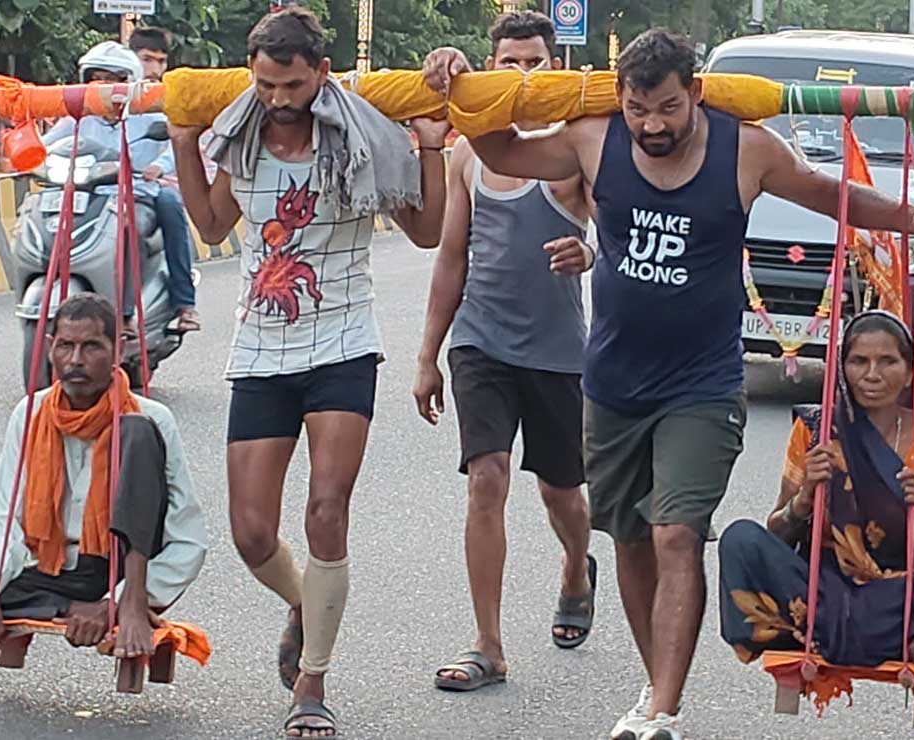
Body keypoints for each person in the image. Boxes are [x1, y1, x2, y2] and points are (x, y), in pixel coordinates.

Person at [422, 29, 914, 739]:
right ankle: (656, 692)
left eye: (668, 108)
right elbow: (501, 151)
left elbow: (829, 195)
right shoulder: (594, 138)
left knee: (677, 534)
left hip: (701, 385)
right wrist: (458, 88)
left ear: (695, 94)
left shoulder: (746, 150)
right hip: (611, 384)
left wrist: (913, 217)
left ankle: (662, 708)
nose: (653, 125)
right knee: (632, 539)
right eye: (639, 108)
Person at [168, 7, 449, 738]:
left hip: (343, 341)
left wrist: (429, 150)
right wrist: (183, 139)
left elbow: (425, 232)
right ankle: (304, 601)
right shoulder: (243, 137)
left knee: (327, 508)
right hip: (260, 350)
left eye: (291, 84)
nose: (277, 97)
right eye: (264, 83)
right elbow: (207, 224)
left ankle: (313, 681)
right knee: (251, 533)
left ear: (320, 76)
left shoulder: (361, 137)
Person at [718, 310, 914, 740]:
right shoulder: (816, 430)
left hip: (906, 601)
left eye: (887, 361)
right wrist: (803, 501)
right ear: (842, 367)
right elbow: (776, 532)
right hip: (825, 596)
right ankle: (809, 634)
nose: (872, 374)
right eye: (858, 361)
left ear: (910, 373)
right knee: (739, 539)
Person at [413, 11, 596, 693]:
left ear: (554, 67)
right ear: (490, 68)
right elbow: (451, 258)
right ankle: (488, 644)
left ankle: (577, 565)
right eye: (509, 63)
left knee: (562, 494)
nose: (521, 75)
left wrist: (589, 252)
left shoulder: (575, 148)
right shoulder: (470, 153)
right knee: (486, 476)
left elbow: (618, 233)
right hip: (481, 343)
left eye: (534, 63)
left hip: (556, 350)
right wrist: (428, 354)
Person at [0, 293, 208, 664]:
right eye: (66, 346)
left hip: (116, 569)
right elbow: (6, 518)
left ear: (119, 349)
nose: (76, 360)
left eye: (92, 347)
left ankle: (115, 605)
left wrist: (119, 599)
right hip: (48, 569)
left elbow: (188, 540)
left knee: (135, 430)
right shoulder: (31, 412)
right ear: (50, 348)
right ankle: (70, 607)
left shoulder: (152, 417)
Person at [42, 41, 199, 333]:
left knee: (149, 216)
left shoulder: (147, 113)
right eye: (97, 78)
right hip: (92, 196)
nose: (103, 86)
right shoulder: (78, 116)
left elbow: (175, 144)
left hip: (139, 193)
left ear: (127, 83)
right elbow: (48, 144)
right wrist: (26, 159)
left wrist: (159, 167)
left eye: (111, 80)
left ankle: (172, 306)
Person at [129, 27, 201, 332]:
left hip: (145, 188)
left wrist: (159, 165)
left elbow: (179, 141)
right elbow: (57, 140)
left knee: (172, 206)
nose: (155, 69)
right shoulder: (99, 99)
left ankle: (185, 303)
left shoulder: (165, 102)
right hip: (97, 189)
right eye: (147, 60)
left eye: (160, 61)